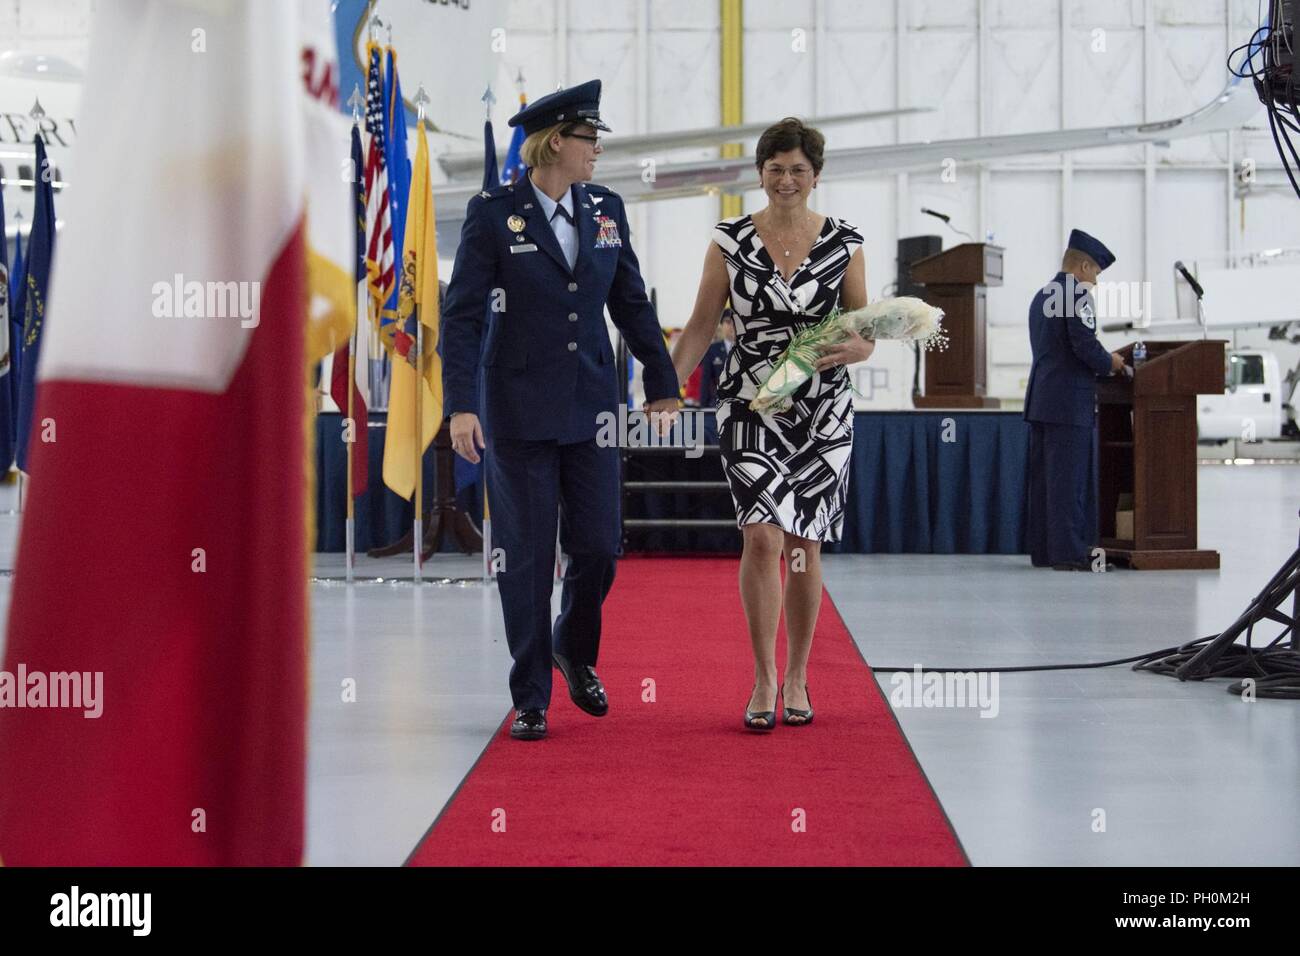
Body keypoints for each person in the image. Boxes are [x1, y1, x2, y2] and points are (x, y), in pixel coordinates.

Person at [441, 80, 680, 741]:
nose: (598, 148)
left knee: (599, 547)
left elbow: (629, 302)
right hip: (516, 412)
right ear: (554, 143)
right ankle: (531, 695)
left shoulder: (606, 208)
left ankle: (573, 647)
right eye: (588, 137)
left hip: (592, 409)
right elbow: (460, 317)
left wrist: (662, 382)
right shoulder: (493, 213)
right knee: (525, 556)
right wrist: (460, 406)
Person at [671, 117, 873, 731]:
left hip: (824, 407)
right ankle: (762, 676)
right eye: (775, 168)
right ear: (760, 173)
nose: (786, 180)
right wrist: (663, 390)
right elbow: (702, 325)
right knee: (760, 535)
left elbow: (866, 327)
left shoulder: (845, 241)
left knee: (804, 546)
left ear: (816, 176)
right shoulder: (729, 241)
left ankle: (798, 675)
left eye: (798, 170)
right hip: (750, 403)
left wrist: (861, 348)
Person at [1023, 229, 1127, 571]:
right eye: (1095, 272)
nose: (1095, 281)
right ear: (1083, 266)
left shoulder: (1042, 295)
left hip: (1042, 400)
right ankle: (1069, 554)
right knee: (1068, 483)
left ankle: (1045, 551)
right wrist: (1112, 363)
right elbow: (1085, 346)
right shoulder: (1077, 296)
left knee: (1046, 483)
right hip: (1069, 403)